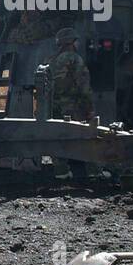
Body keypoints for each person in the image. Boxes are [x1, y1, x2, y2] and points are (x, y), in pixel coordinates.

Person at [49, 27, 98, 179]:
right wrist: (90, 108)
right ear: (71, 42)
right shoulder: (75, 59)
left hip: (54, 106)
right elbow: (84, 87)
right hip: (73, 106)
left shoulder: (51, 60)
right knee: (87, 136)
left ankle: (61, 171)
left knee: (58, 138)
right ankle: (94, 172)